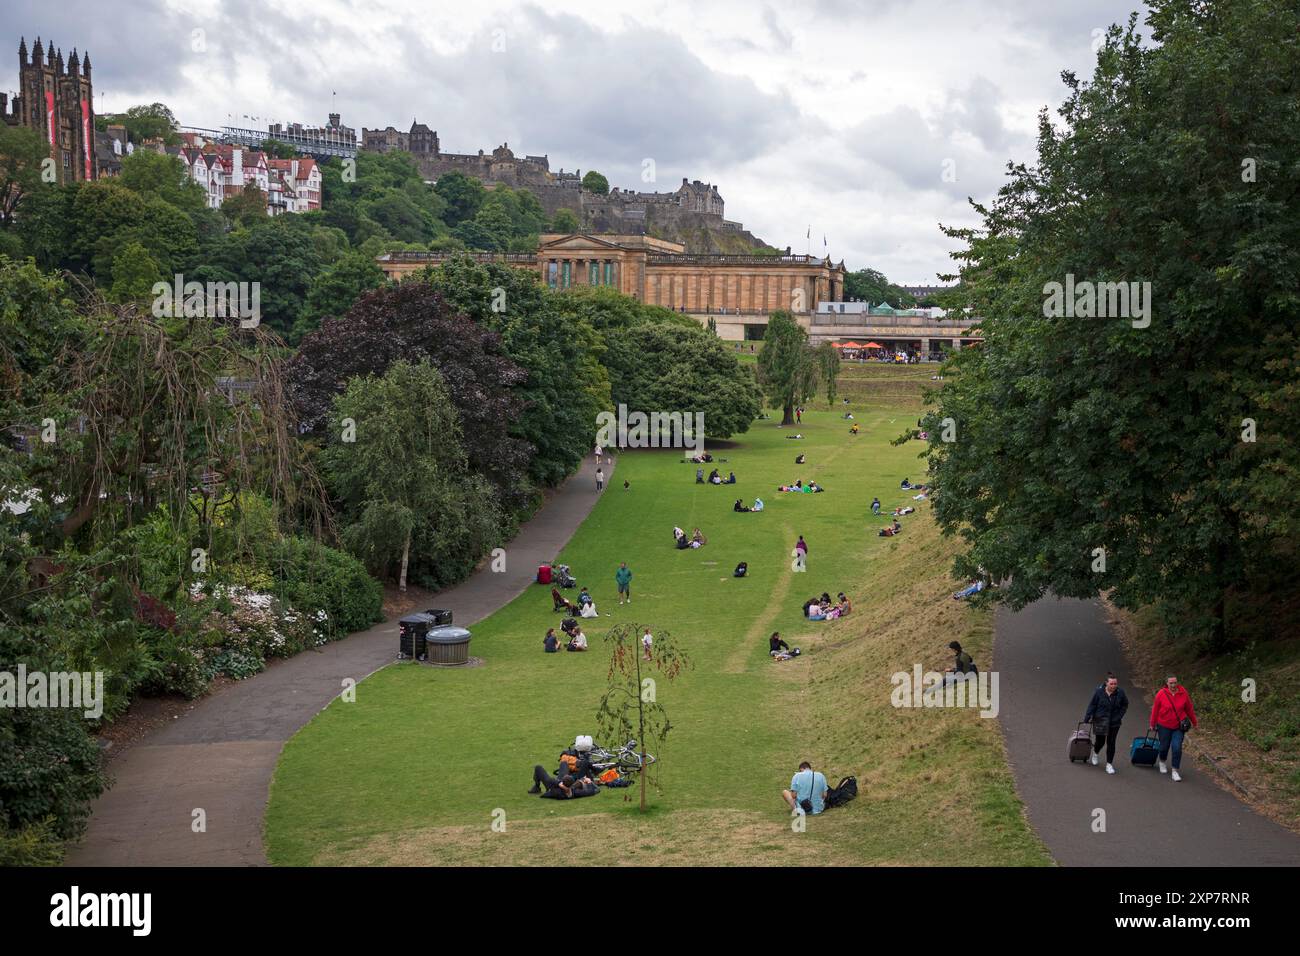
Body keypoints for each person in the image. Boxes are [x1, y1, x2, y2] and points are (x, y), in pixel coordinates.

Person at [1149, 675, 1198, 782]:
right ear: (1167, 683)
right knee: (1164, 747)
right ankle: (1162, 761)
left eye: (1175, 682)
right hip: (1164, 725)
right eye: (1171, 683)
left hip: (1178, 726)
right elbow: (1155, 710)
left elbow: (1189, 708)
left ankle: (1175, 770)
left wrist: (1194, 722)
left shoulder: (1183, 693)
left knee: (1177, 747)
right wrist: (1152, 723)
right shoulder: (1161, 694)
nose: (1173, 685)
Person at [1083, 673, 1129, 774]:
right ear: (1106, 683)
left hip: (1114, 722)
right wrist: (1087, 718)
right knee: (1100, 741)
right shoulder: (1099, 692)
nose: (1114, 686)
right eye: (1111, 684)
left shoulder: (1120, 692)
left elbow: (1125, 704)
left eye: (1115, 684)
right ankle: (1095, 753)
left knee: (1111, 742)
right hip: (1100, 720)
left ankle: (1109, 764)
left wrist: (1119, 716)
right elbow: (1092, 704)